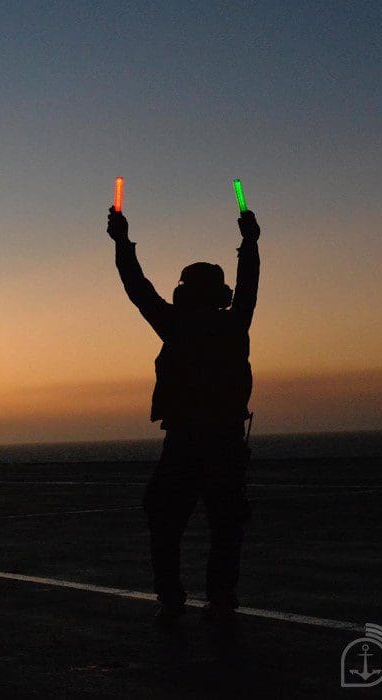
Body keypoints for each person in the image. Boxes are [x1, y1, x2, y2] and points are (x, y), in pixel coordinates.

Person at [107, 204, 260, 628]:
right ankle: (221, 597)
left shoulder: (175, 324)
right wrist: (249, 243)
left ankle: (173, 598)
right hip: (224, 440)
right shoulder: (235, 325)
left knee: (165, 521)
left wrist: (122, 243)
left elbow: (136, 287)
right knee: (225, 525)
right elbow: (249, 284)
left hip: (186, 442)